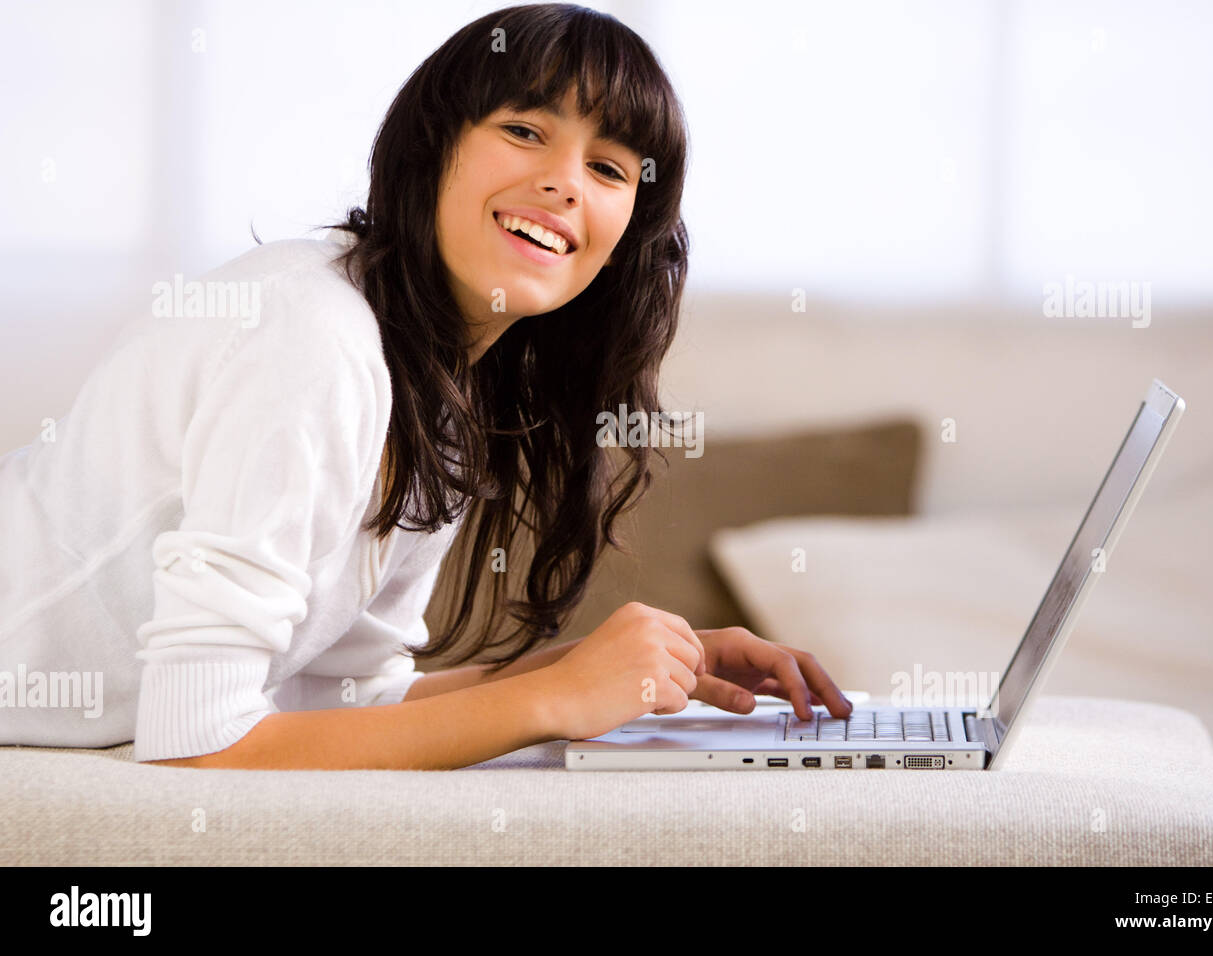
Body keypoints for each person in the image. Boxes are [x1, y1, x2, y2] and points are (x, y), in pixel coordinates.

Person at [0, 3, 851, 771]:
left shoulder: (441, 393)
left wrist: (606, 668)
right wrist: (551, 701)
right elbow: (198, 744)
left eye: (611, 169)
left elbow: (343, 702)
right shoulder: (315, 336)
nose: (563, 182)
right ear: (432, 145)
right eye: (524, 130)